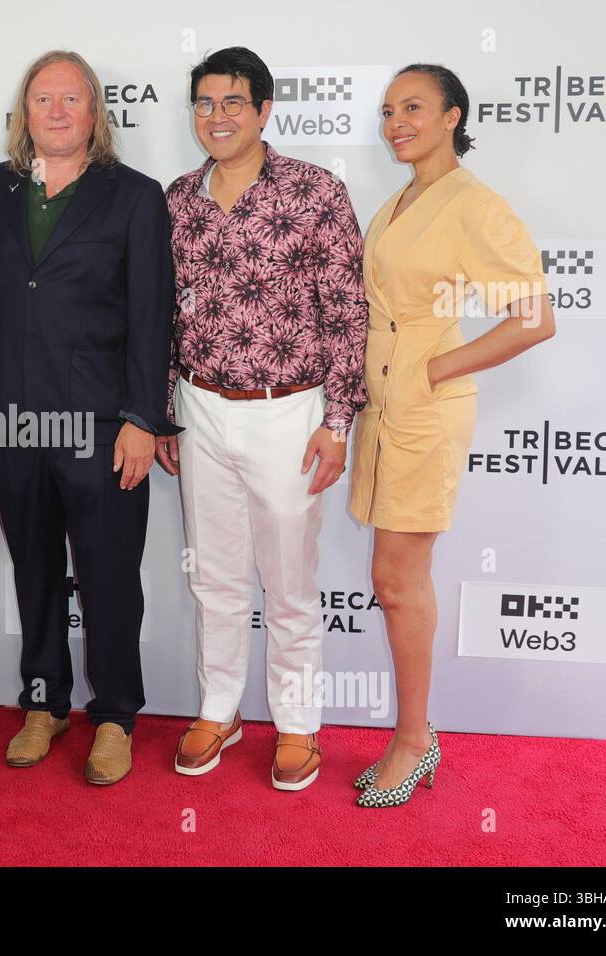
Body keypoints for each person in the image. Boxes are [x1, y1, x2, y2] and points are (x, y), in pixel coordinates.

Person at [158, 47, 368, 790]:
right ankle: (219, 707)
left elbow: (347, 310)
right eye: (204, 104)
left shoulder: (315, 193)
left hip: (292, 411)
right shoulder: (177, 199)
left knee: (288, 583)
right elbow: (162, 317)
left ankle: (300, 723)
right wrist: (164, 413)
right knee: (214, 579)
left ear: (265, 110)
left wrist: (338, 419)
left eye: (232, 103)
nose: (217, 117)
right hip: (200, 407)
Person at [0, 50, 179, 786]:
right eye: (41, 99)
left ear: (96, 111)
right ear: (23, 114)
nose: (56, 111)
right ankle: (44, 702)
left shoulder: (135, 195)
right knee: (34, 568)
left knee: (110, 575)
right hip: (16, 421)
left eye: (71, 98)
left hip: (101, 422)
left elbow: (153, 317)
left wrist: (143, 419)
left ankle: (116, 715)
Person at [349, 64, 554, 807]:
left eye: (413, 107)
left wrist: (437, 368)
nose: (396, 121)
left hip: (426, 410)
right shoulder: (403, 198)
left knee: (399, 584)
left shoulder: (473, 204)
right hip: (386, 407)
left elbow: (535, 317)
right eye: (387, 110)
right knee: (391, 580)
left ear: (451, 116)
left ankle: (414, 740)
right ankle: (412, 734)